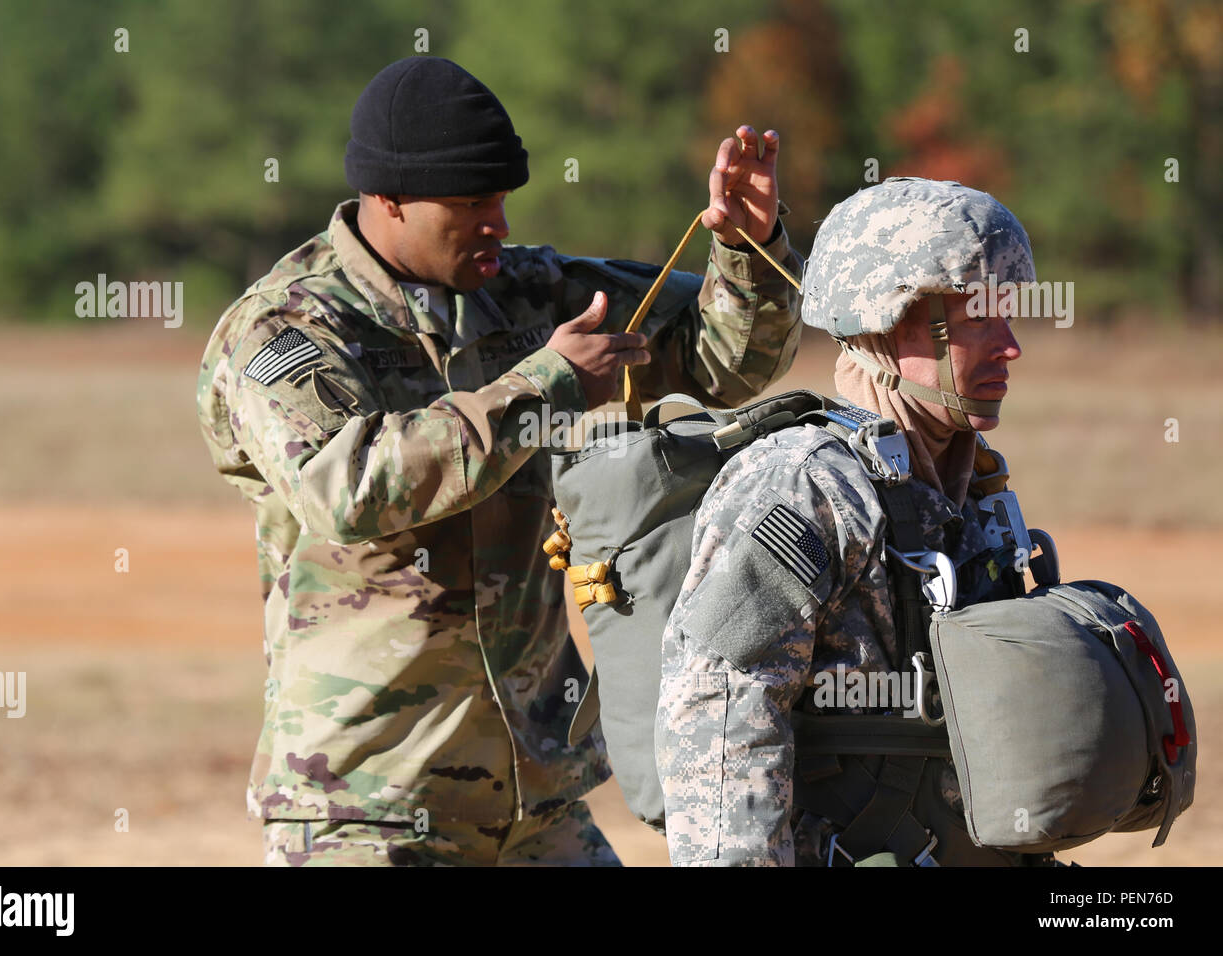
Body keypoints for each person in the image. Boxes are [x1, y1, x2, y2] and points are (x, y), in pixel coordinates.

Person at [195, 55, 802, 866]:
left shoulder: (526, 293)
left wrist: (747, 245)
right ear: (388, 200)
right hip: (368, 804)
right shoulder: (288, 328)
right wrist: (548, 384)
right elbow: (348, 490)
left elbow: (725, 362)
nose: (499, 225)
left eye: (503, 199)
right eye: (472, 203)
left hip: (534, 799)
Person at [656, 176, 1052, 866]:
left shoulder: (972, 478)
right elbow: (719, 716)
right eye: (980, 317)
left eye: (1010, 314)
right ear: (892, 322)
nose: (1011, 345)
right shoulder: (802, 482)